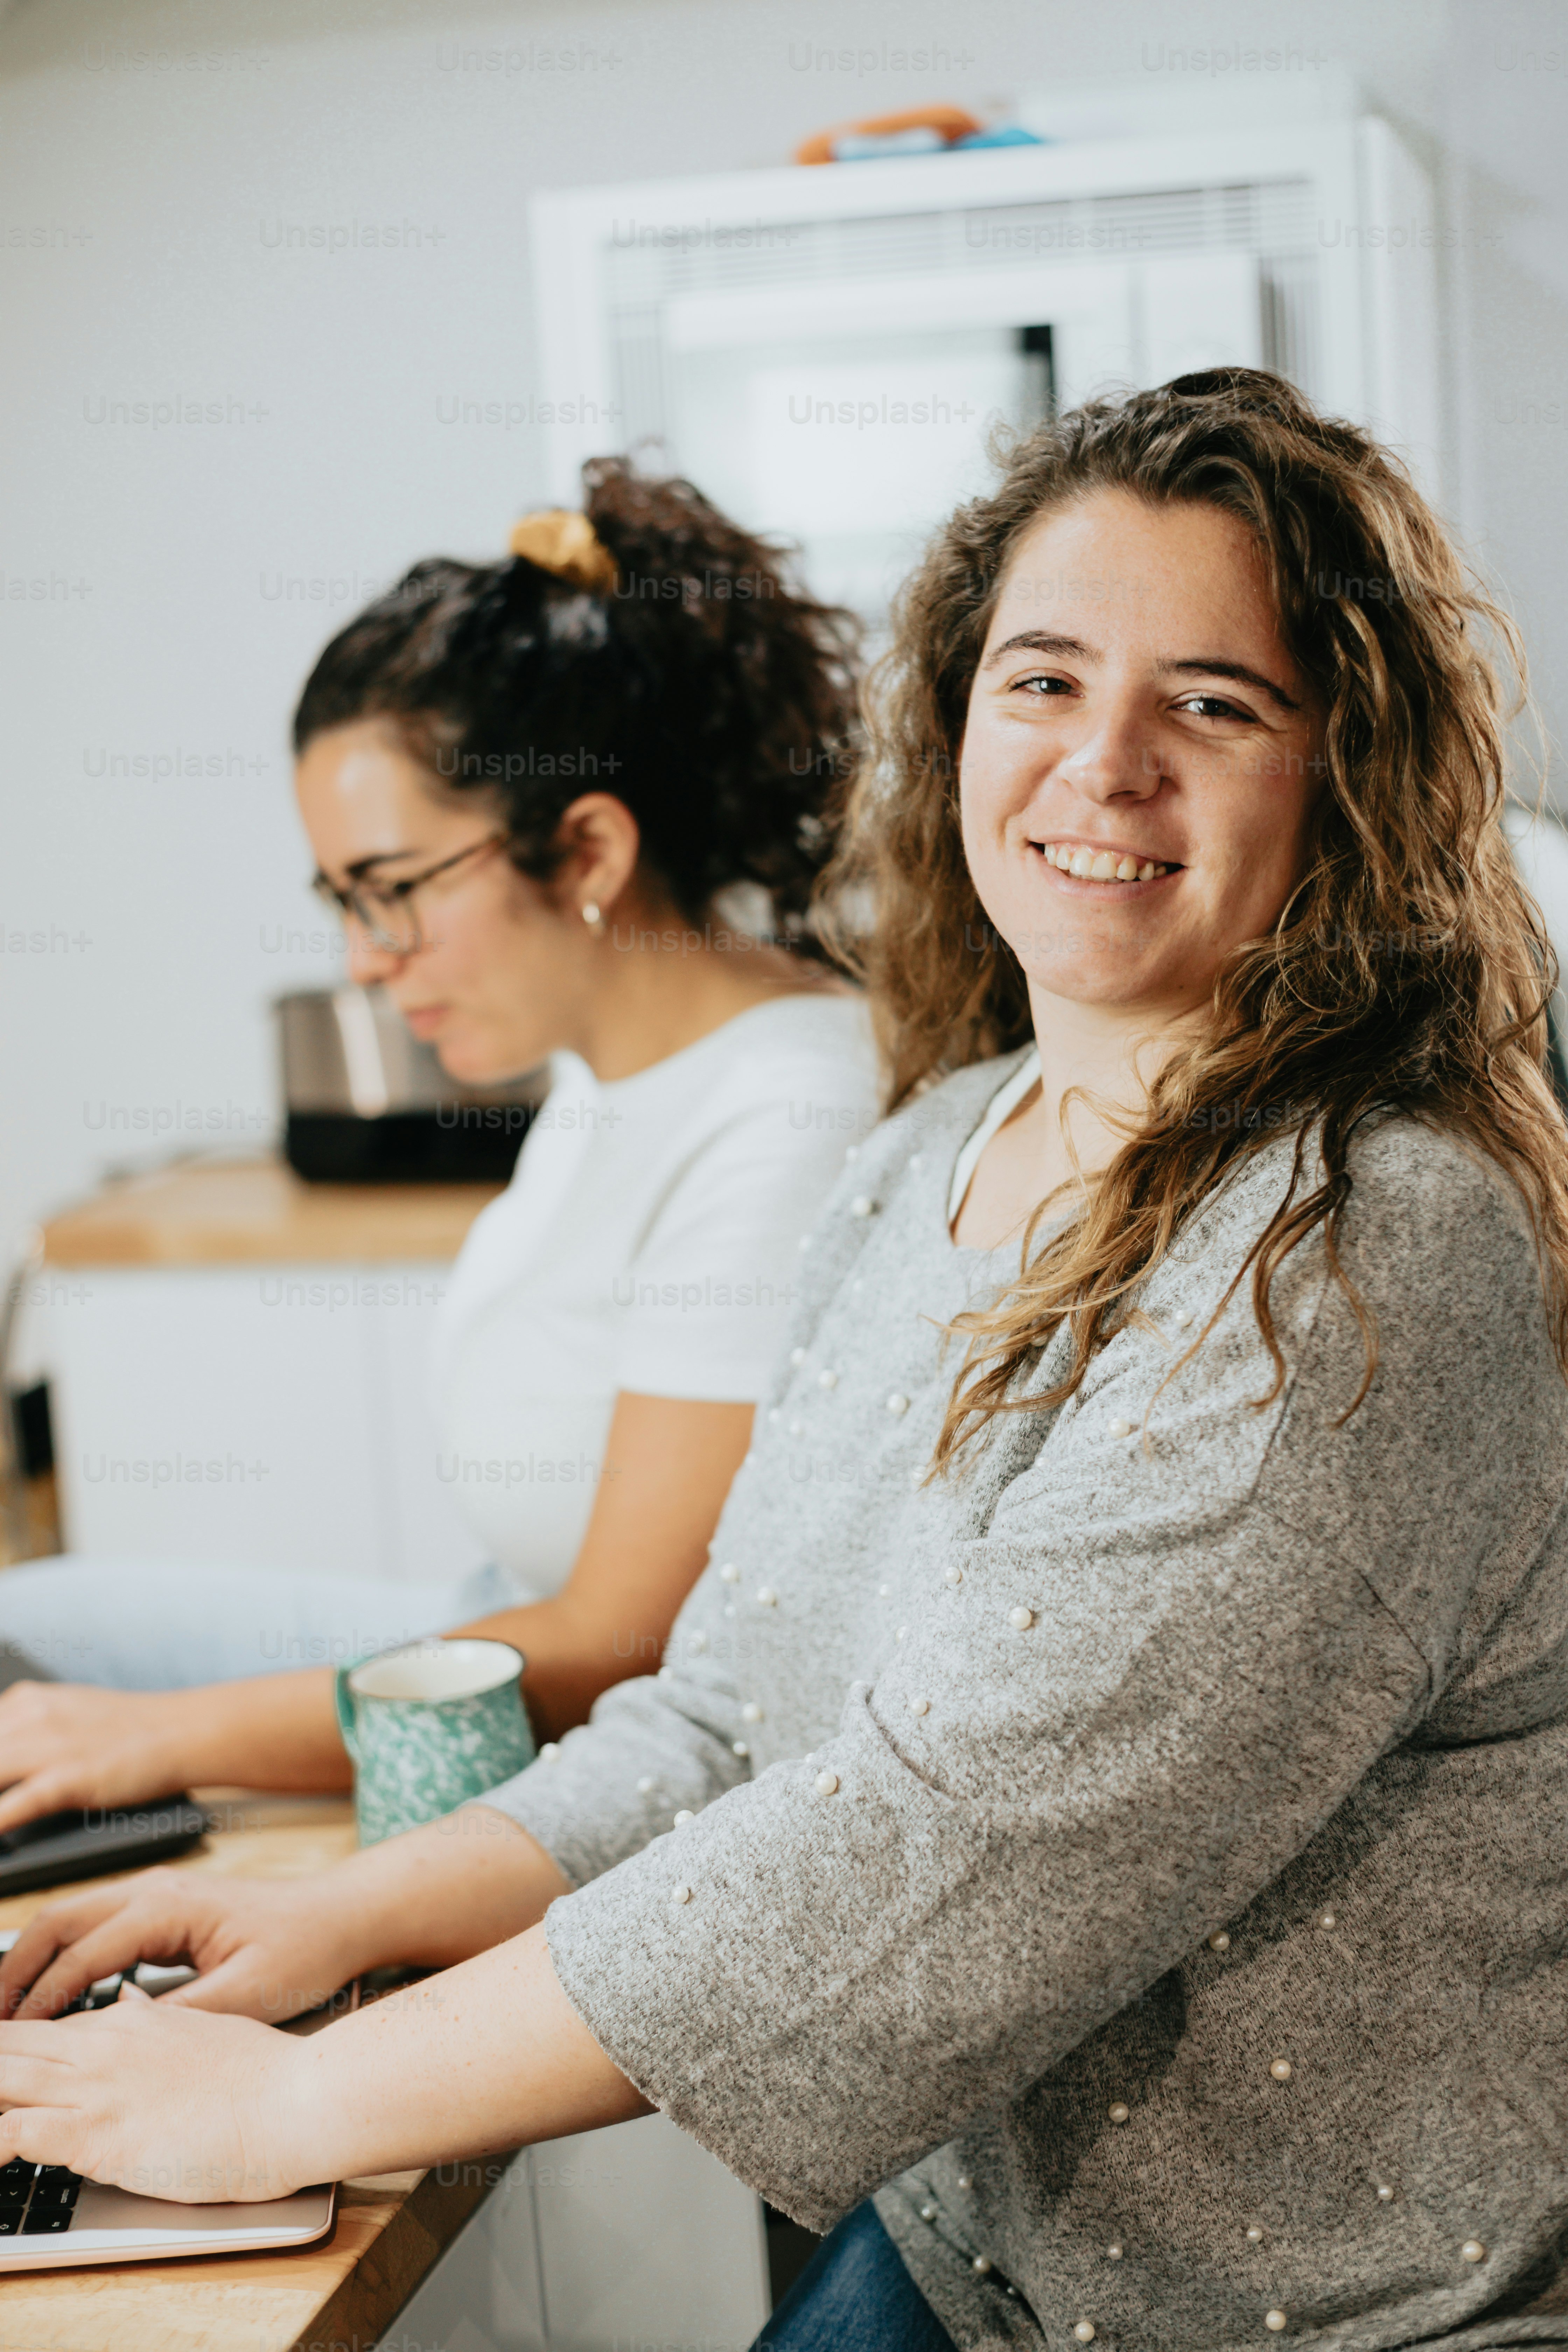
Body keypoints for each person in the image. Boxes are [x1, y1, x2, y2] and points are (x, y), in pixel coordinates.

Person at [6, 369, 1568, 2352]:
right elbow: (728, 1715)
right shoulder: (934, 1153)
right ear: (957, 719)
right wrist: (341, 1917)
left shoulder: (1365, 1241)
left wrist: (301, 2098)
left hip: (1322, 2319)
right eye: (1046, 682)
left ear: (1343, 773)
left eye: (1216, 702)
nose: (1105, 766)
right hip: (980, 2255)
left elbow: (939, 1857)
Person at [0, 460, 878, 1819]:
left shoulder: (789, 1112)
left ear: (585, 853)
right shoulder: (609, 1068)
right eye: (341, 900)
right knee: (36, 1629)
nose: (362, 960)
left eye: (393, 892)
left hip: (569, 1686)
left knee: (79, 1714)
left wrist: (162, 1742)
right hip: (483, 1618)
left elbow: (625, 1650)